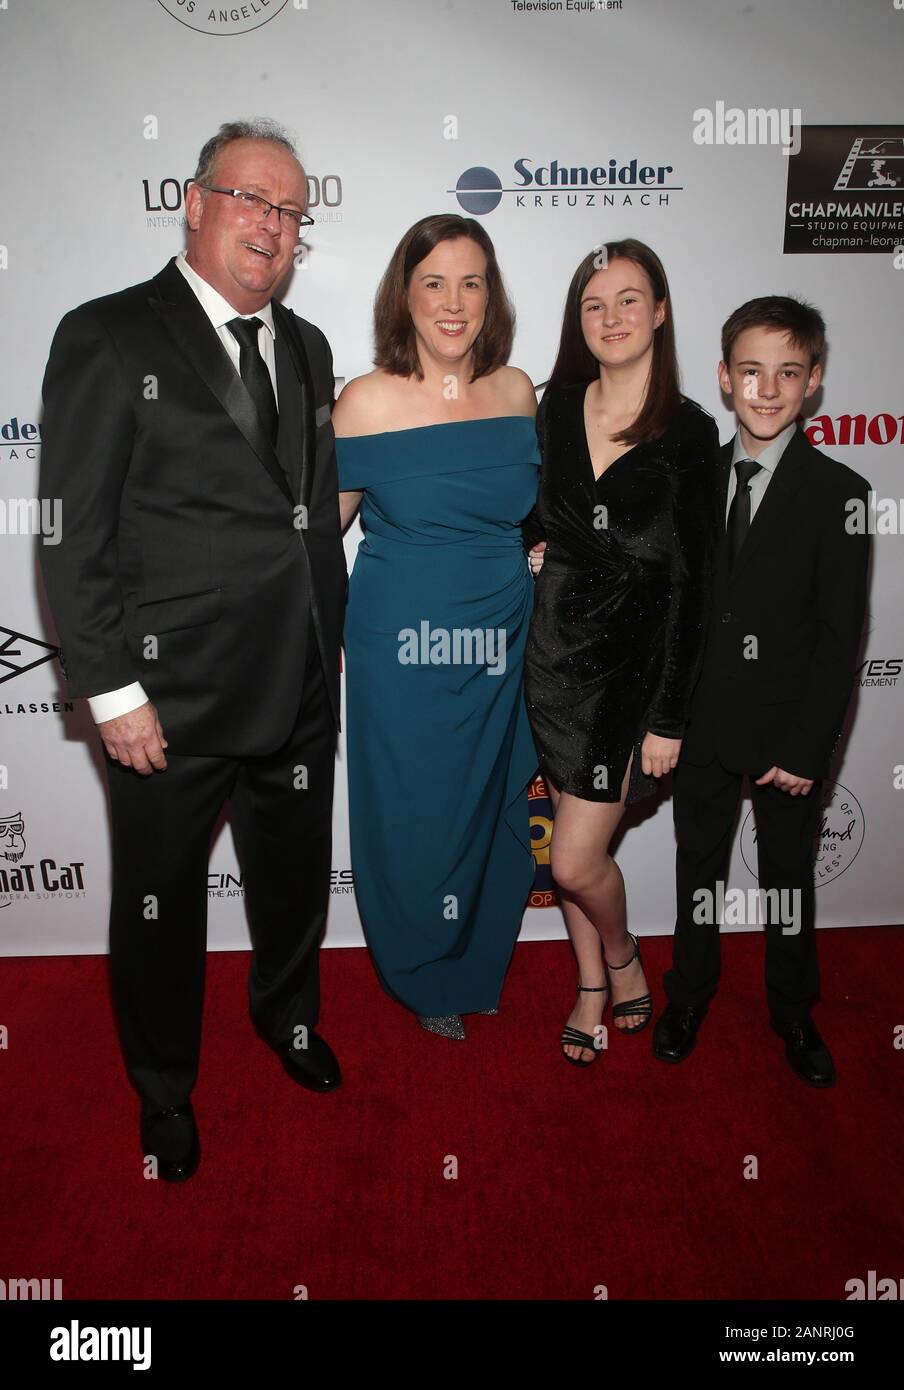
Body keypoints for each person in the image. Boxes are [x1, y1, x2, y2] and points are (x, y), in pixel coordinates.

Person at [38, 120, 347, 1180]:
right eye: (253, 199)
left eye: (291, 211)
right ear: (194, 201)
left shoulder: (306, 347)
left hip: (301, 675)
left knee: (294, 882)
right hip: (167, 697)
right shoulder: (110, 333)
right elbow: (72, 530)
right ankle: (164, 1089)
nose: (272, 224)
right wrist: (110, 688)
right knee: (161, 904)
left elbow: (303, 511)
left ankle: (289, 1020)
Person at [653, 296, 870, 1087]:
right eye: (751, 371)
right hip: (700, 726)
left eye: (787, 373)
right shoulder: (694, 478)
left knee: (787, 879)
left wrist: (811, 747)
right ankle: (689, 997)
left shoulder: (839, 490)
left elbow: (840, 635)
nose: (767, 389)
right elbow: (671, 607)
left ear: (813, 381)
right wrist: (664, 717)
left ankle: (792, 1012)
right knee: (696, 870)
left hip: (788, 738)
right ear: (723, 378)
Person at [334, 215, 539, 1039]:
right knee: (416, 811)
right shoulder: (367, 401)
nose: (454, 304)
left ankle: (475, 959)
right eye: (434, 283)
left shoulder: (518, 391)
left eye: (472, 282)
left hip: (505, 635)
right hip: (401, 644)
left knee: (493, 801)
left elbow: (533, 513)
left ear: (491, 295)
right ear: (404, 295)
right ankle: (421, 968)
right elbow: (321, 535)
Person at [523, 240, 719, 1066]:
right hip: (553, 657)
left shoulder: (690, 433)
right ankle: (594, 983)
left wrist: (670, 714)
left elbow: (699, 585)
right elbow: (534, 508)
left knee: (571, 859)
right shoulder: (556, 404)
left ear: (661, 311)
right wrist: (537, 545)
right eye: (594, 305)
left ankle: (626, 953)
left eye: (630, 300)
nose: (611, 318)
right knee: (579, 843)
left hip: (632, 678)